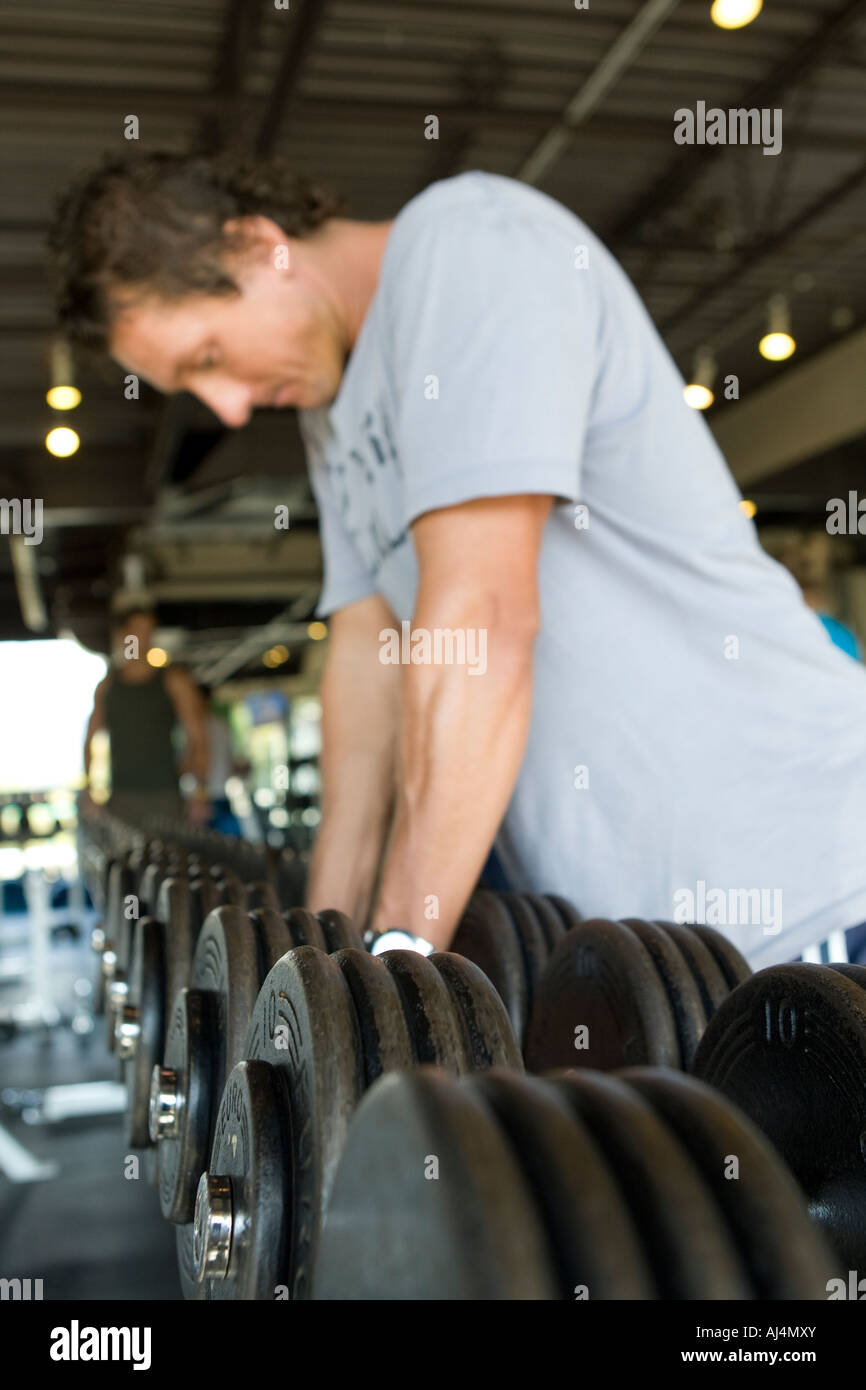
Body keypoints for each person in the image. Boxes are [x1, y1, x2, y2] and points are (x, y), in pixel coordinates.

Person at [50, 152, 866, 967]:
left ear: (264, 247)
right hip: (653, 952)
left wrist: (400, 954)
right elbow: (367, 679)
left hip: (806, 880)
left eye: (210, 357)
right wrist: (319, 976)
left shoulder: (470, 246)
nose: (225, 406)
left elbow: (482, 620)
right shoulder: (331, 413)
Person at [83, 606, 209, 825]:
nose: (142, 638)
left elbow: (197, 737)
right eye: (136, 631)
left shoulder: (173, 681)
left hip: (165, 795)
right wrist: (90, 789)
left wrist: (198, 792)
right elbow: (90, 739)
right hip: (121, 797)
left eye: (148, 631)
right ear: (122, 635)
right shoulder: (107, 687)